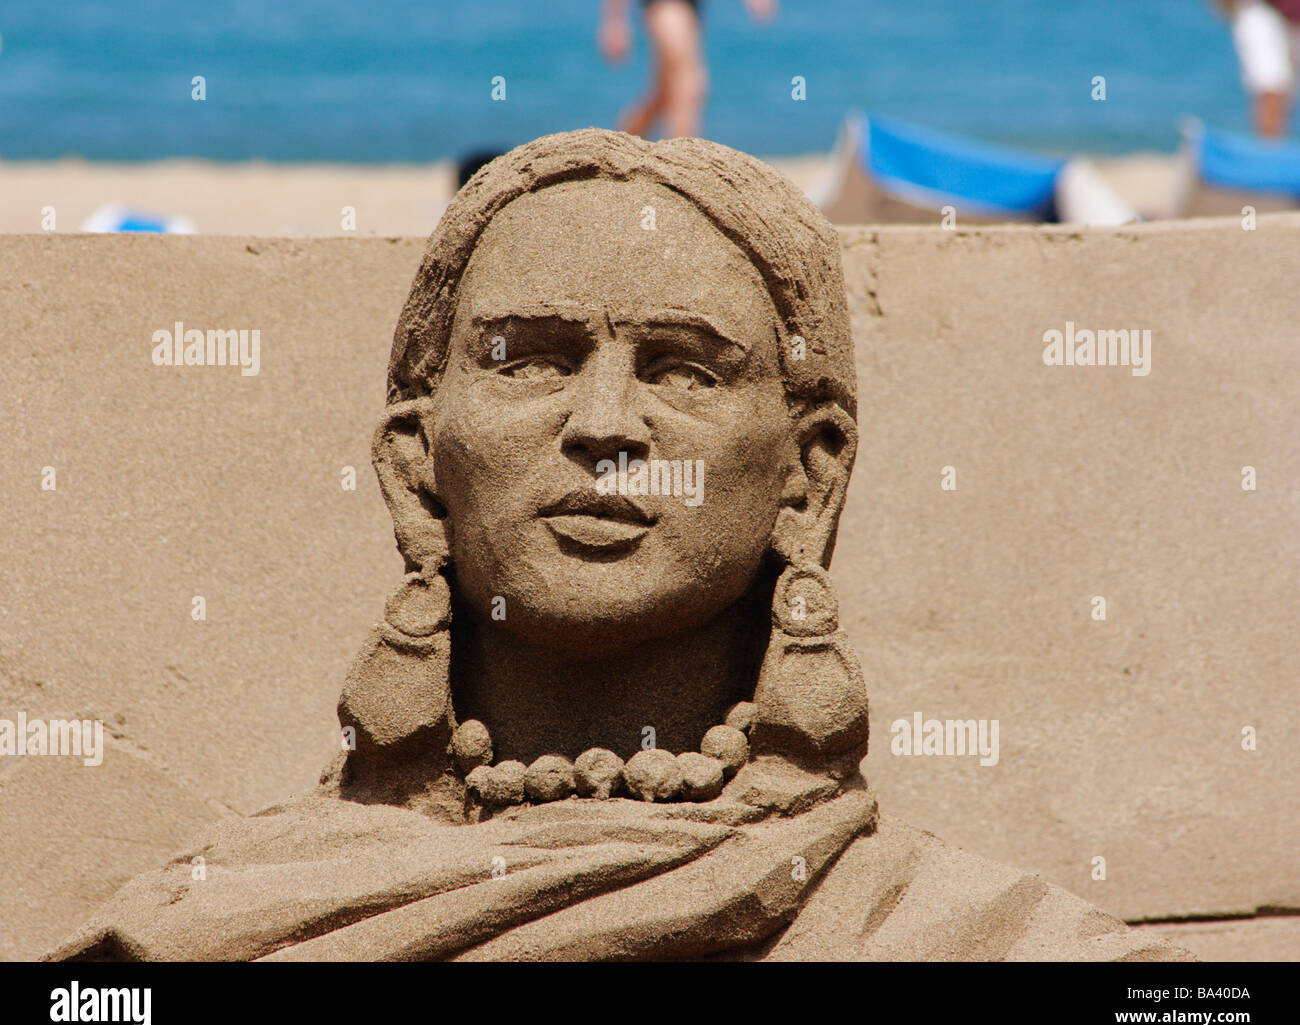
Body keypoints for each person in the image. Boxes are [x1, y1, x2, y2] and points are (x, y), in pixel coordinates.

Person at [47, 130, 1190, 962]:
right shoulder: (192, 935)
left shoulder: (993, 944)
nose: (603, 426)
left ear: (811, 474)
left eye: (682, 369)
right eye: (529, 358)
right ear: (411, 461)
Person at [598, 0, 777, 138]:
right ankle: (681, 167)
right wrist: (615, 20)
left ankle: (618, 144)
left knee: (664, 94)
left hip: (690, 7)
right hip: (665, 5)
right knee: (689, 83)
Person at [1219, 0, 1300, 137]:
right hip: (1263, 11)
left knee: (1283, 88)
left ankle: (1272, 148)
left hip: (1287, 17)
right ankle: (1269, 150)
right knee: (1273, 85)